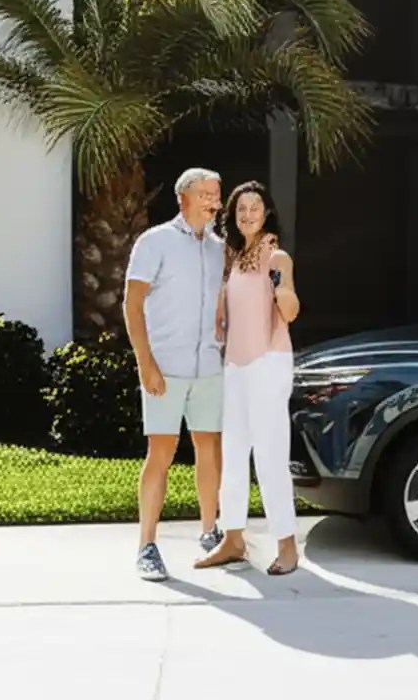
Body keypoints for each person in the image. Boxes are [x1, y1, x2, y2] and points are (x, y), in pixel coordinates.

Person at [194, 180, 302, 575]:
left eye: (255, 207)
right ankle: (233, 539)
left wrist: (282, 291)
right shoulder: (235, 258)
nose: (247, 214)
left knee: (270, 455)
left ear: (267, 212)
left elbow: (290, 310)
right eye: (241, 208)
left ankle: (287, 545)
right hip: (236, 366)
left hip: (268, 363)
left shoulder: (277, 256)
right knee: (234, 454)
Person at [123, 168, 226, 582]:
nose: (214, 201)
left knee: (210, 448)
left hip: (210, 368)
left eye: (217, 194)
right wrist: (144, 363)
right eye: (206, 194)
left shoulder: (220, 249)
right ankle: (146, 546)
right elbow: (132, 305)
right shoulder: (155, 242)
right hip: (165, 368)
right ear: (183, 198)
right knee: (160, 454)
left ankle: (210, 532)